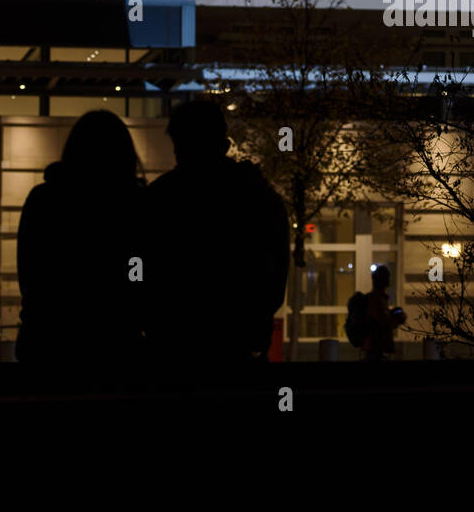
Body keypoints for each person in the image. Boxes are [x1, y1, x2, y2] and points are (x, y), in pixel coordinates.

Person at [145, 100, 289, 367]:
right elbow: (272, 276)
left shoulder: (161, 199)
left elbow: (144, 271)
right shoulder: (259, 198)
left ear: (180, 144)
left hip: (173, 346)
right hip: (239, 345)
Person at [17, 110, 147, 364]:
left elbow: (31, 273)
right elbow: (139, 273)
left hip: (47, 340)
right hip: (116, 341)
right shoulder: (135, 204)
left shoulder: (44, 200)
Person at [363, 264, 406, 361]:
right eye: (387, 277)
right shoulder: (375, 299)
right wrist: (397, 318)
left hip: (376, 350)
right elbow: (381, 323)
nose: (389, 280)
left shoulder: (377, 299)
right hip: (376, 350)